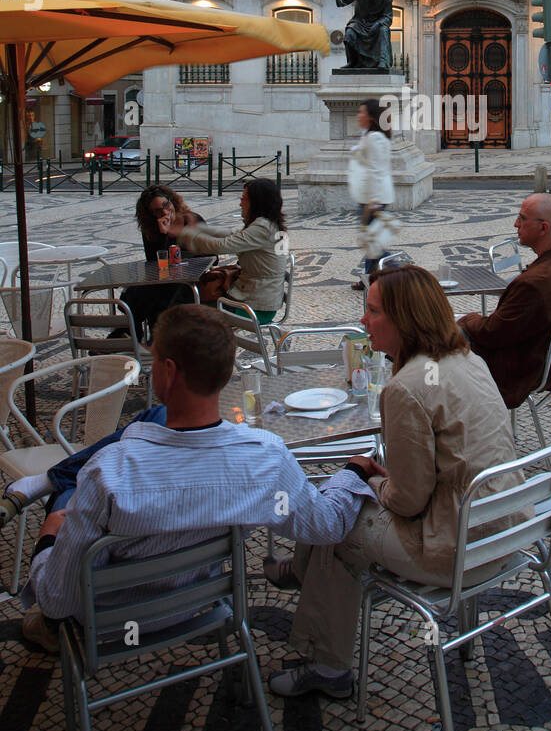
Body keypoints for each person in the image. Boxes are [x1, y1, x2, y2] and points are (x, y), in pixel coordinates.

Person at [19, 305, 377, 652]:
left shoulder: (108, 471)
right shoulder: (265, 457)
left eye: (155, 359)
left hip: (110, 621)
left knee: (61, 508)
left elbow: (58, 600)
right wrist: (352, 473)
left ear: (169, 371)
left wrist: (48, 541)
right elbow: (326, 526)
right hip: (200, 604)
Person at [265, 264, 525, 700]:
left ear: (405, 319)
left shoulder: (404, 388)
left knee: (341, 512)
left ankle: (328, 665)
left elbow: (407, 502)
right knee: (349, 487)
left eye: (372, 311)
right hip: (507, 527)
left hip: (459, 547)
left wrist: (373, 482)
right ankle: (302, 570)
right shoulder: (468, 359)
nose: (363, 321)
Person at [458, 193, 551, 410]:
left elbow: (491, 333)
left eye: (522, 218)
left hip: (520, 370)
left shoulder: (535, 283)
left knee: (434, 343)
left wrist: (466, 320)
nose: (515, 224)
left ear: (543, 228)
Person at [165, 178, 288, 323]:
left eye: (244, 199)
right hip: (256, 299)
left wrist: (183, 233)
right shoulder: (268, 224)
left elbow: (222, 245)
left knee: (185, 308)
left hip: (254, 307)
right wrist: (196, 228)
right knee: (186, 297)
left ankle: (163, 343)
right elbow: (230, 234)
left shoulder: (263, 227)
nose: (240, 203)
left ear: (256, 202)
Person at [117, 186, 204, 340]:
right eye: (157, 210)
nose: (164, 212)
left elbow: (210, 256)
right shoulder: (151, 228)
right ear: (149, 213)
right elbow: (154, 262)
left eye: (165, 205)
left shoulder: (191, 220)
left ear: (172, 201)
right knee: (143, 293)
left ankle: (132, 334)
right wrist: (165, 235)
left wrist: (170, 236)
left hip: (190, 281)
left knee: (147, 297)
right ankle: (143, 337)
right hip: (165, 281)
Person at [348, 98, 396, 291]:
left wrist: (373, 202)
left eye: (361, 112)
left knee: (375, 244)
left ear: (370, 117)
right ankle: (368, 278)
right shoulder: (371, 135)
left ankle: (399, 273)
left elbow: (377, 169)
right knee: (372, 240)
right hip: (372, 196)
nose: (358, 115)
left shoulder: (374, 138)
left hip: (373, 197)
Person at [336, 0, 393, 70]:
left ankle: (383, 61)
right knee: (349, 35)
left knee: (383, 30)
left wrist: (378, 24)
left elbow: (388, 17)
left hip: (376, 23)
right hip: (359, 22)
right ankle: (352, 62)